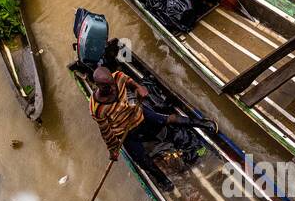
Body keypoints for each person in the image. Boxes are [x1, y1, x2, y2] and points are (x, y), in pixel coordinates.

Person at [88, 63, 213, 192]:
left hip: (138, 115)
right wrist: (112, 149)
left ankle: (202, 123)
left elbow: (131, 82)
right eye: (108, 87)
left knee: (167, 119)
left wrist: (139, 88)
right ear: (98, 86)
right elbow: (106, 132)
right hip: (125, 131)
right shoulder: (96, 108)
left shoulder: (118, 77)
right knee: (142, 159)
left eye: (113, 84)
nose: (113, 88)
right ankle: (163, 180)